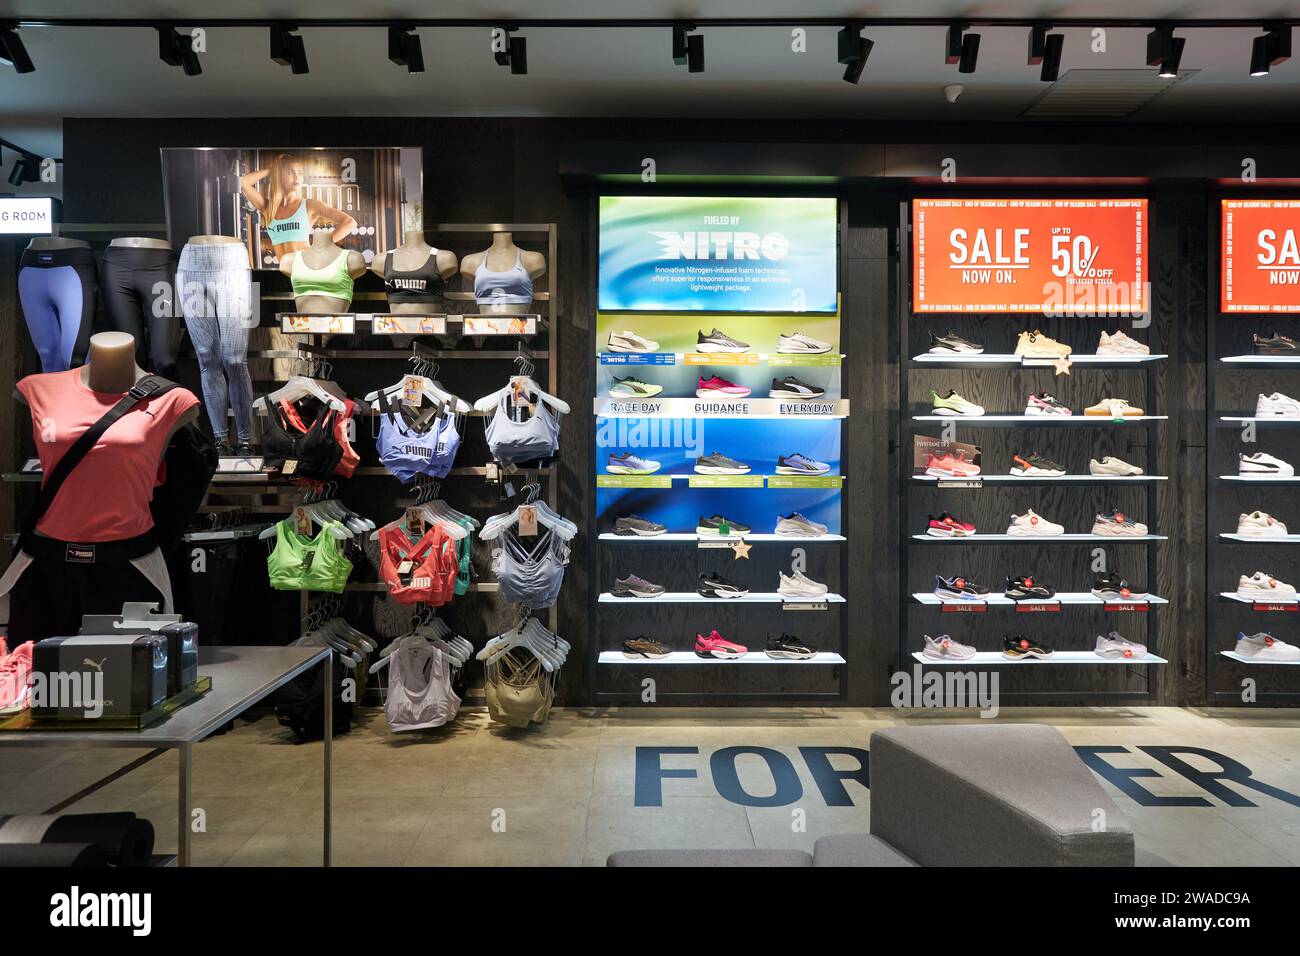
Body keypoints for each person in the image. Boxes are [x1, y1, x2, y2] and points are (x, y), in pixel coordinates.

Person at [239, 153, 357, 260]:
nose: (296, 177)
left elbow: (349, 222)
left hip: (307, 270)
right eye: (290, 172)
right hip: (285, 271)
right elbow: (243, 182)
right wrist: (272, 170)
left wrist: (321, 246)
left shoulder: (309, 205)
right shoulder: (269, 208)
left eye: (300, 172)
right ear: (279, 175)